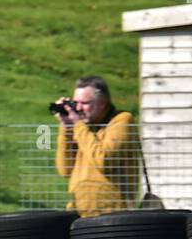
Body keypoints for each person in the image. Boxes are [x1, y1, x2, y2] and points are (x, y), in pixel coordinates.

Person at [53, 76, 141, 217]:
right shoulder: (82, 128)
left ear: (102, 103)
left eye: (85, 103)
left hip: (112, 214)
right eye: (76, 103)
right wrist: (66, 128)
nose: (79, 108)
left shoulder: (122, 120)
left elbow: (104, 160)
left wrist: (78, 125)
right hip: (77, 212)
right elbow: (65, 169)